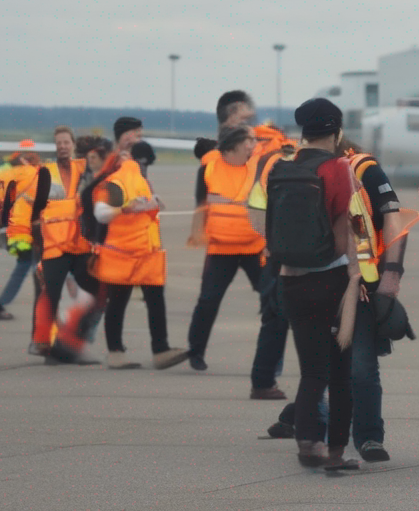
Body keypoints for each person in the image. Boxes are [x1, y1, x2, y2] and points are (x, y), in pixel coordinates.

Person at [267, 98, 359, 468]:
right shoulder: (339, 168)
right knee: (340, 372)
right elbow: (341, 238)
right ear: (336, 133)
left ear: (303, 132)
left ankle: (308, 443)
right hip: (331, 281)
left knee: (311, 371)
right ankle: (335, 451)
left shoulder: (281, 168)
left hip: (290, 281)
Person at [88, 117, 189, 370]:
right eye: (134, 135)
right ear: (123, 138)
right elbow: (101, 211)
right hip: (121, 251)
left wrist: (152, 202)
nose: (138, 140)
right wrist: (124, 209)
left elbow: (139, 200)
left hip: (145, 250)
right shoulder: (113, 174)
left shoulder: (137, 175)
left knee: (155, 298)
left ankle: (160, 349)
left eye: (140, 135)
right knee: (118, 301)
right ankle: (115, 351)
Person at [337, 139, 408, 462]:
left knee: (362, 367)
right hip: (316, 283)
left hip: (363, 283)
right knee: (324, 368)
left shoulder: (365, 169)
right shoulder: (300, 170)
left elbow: (392, 219)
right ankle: (312, 426)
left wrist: (388, 274)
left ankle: (369, 437)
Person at [185, 124, 267, 371]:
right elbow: (201, 203)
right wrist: (197, 232)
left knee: (273, 300)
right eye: (249, 142)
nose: (254, 145)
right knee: (208, 301)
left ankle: (270, 359)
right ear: (233, 147)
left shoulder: (259, 168)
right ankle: (195, 351)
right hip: (221, 249)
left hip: (254, 247)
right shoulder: (209, 168)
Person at [35, 127, 99, 363]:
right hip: (54, 245)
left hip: (80, 244)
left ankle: (72, 343)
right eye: (58, 143)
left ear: (72, 144)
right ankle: (50, 348)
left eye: (66, 142)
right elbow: (33, 206)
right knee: (51, 296)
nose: (62, 146)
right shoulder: (45, 172)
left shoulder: (83, 168)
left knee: (93, 294)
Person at [245, 122, 296, 401]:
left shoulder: (265, 160)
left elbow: (256, 206)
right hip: (296, 254)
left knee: (273, 319)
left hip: (272, 253)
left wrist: (268, 242)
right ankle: (265, 380)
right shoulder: (290, 158)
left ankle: (264, 380)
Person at [0, 143, 49, 322]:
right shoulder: (27, 173)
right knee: (28, 268)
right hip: (24, 231)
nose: (35, 156)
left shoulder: (10, 170)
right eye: (33, 153)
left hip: (19, 231)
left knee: (27, 267)